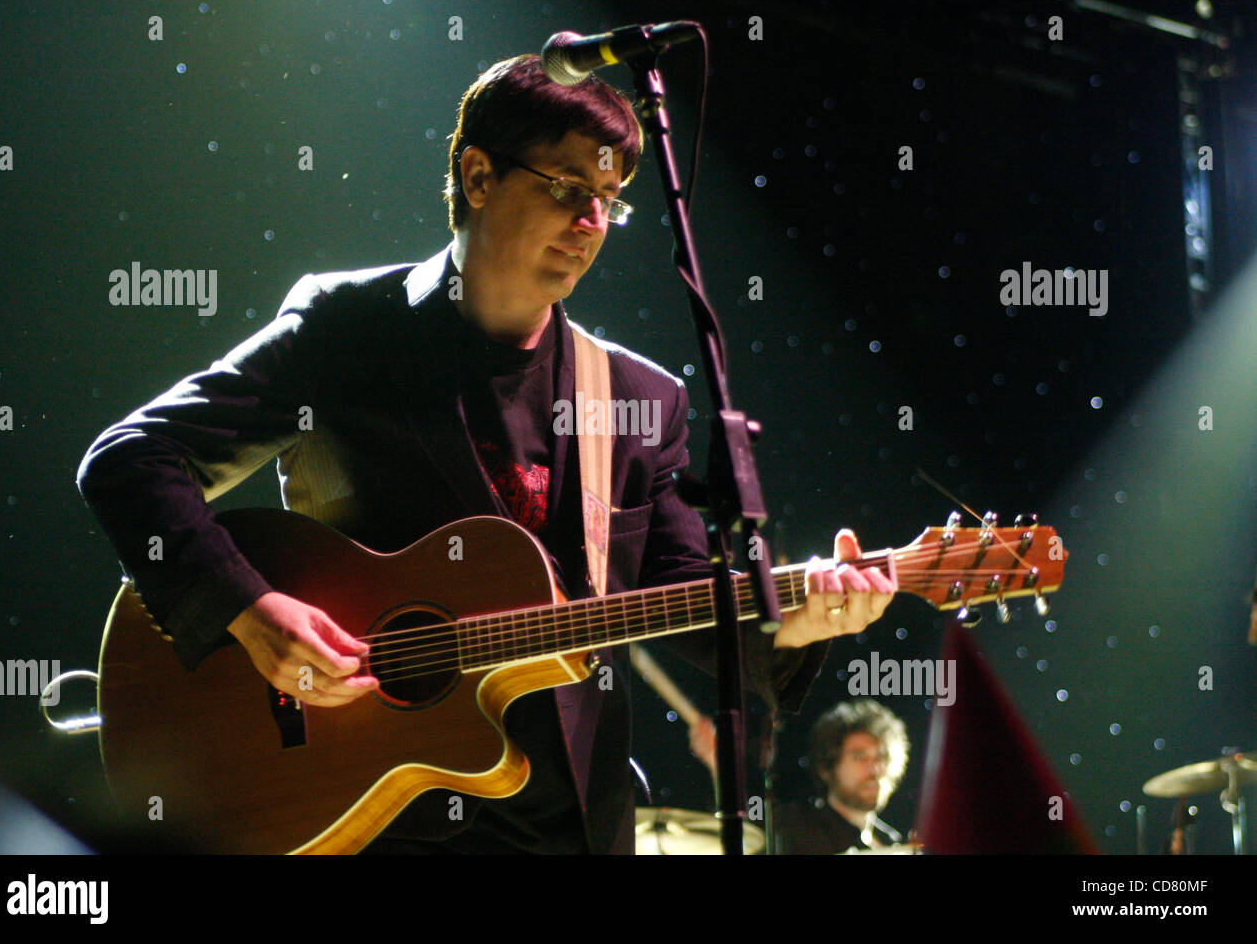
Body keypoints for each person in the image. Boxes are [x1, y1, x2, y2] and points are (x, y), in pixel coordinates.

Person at [76, 53, 896, 854]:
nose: (592, 225)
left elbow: (676, 593)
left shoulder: (640, 398)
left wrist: (796, 619)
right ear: (477, 176)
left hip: (571, 821)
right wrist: (249, 614)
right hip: (373, 815)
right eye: (570, 190)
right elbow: (132, 457)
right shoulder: (347, 329)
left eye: (610, 201)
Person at [775, 699, 910, 854]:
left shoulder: (893, 841)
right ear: (827, 768)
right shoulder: (795, 831)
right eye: (860, 757)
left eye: (881, 757)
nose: (875, 768)